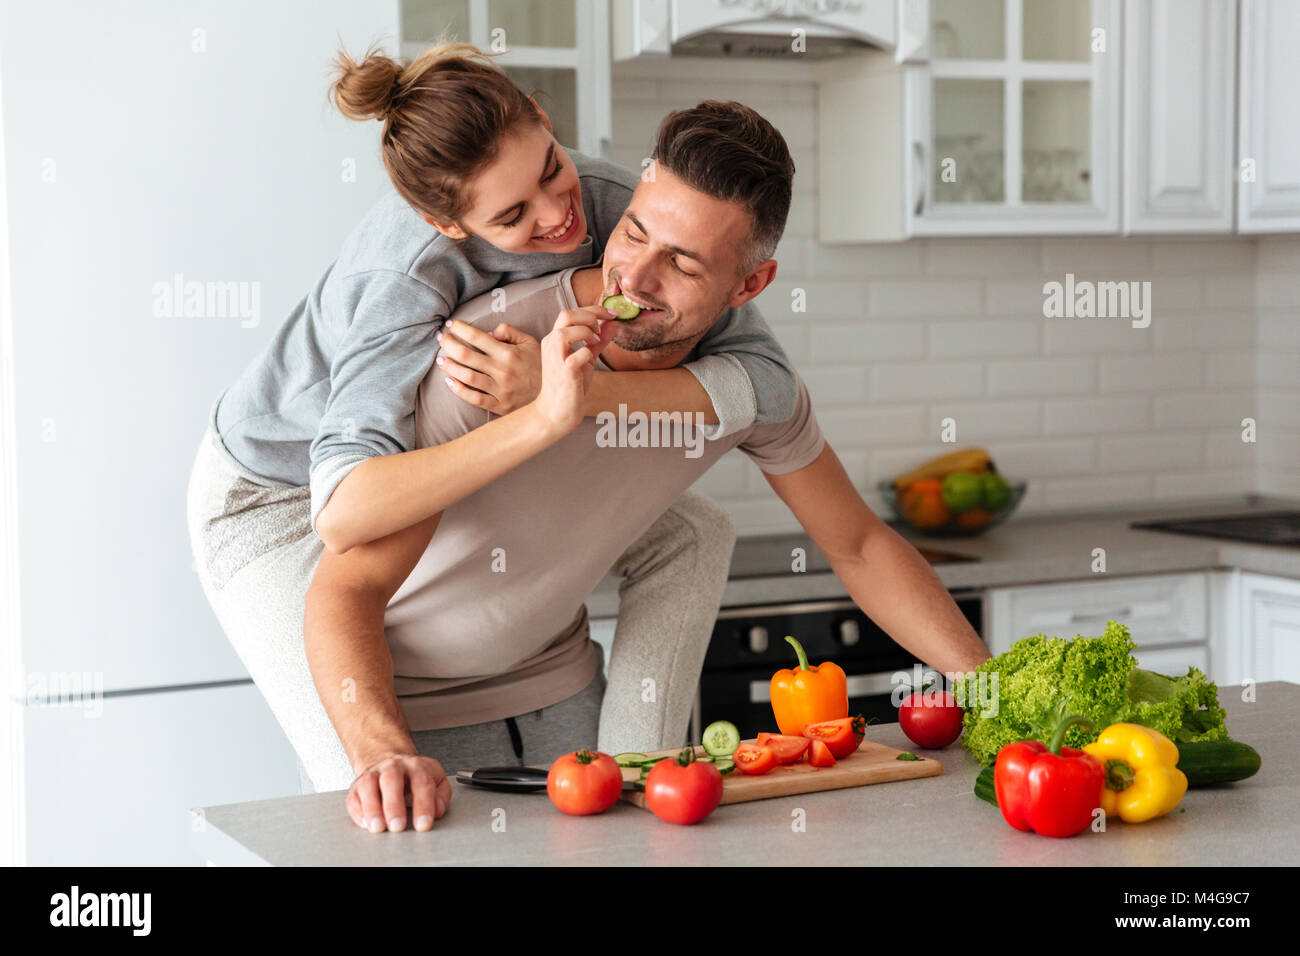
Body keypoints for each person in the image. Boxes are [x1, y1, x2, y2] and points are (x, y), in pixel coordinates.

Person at [306, 100, 993, 835]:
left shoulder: (746, 388)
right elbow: (348, 582)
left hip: (553, 678)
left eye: (684, 263)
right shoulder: (490, 355)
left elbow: (858, 543)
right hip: (404, 692)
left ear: (749, 287)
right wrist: (381, 752)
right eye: (633, 231)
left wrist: (993, 689)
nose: (635, 274)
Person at [186, 44, 797, 796]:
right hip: (279, 495)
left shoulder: (612, 204)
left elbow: (761, 378)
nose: (559, 216)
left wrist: (576, 404)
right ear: (444, 221)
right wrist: (544, 419)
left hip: (426, 451)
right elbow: (344, 510)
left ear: (543, 119)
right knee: (362, 785)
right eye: (512, 215)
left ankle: (642, 781)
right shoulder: (405, 275)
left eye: (549, 168)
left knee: (691, 530)